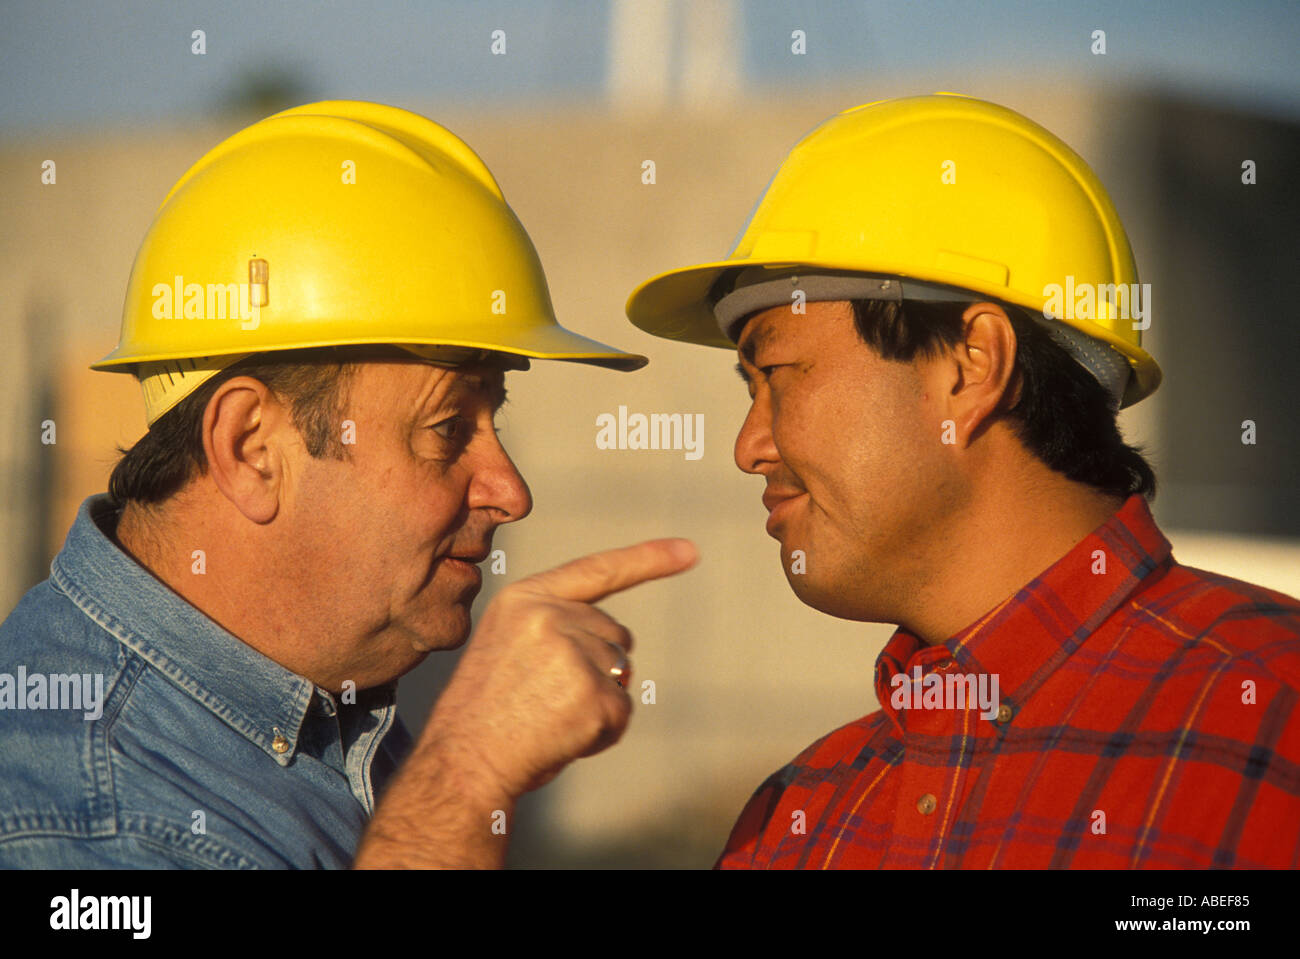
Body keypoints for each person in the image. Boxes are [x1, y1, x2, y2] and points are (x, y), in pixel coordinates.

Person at [0, 100, 696, 869]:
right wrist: (460, 784)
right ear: (251, 447)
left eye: (493, 416)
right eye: (446, 428)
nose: (509, 490)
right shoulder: (90, 828)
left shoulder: (316, 713)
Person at [625, 93, 1300, 868]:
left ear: (970, 364)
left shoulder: (1275, 715)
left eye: (779, 372)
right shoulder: (796, 819)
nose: (749, 447)